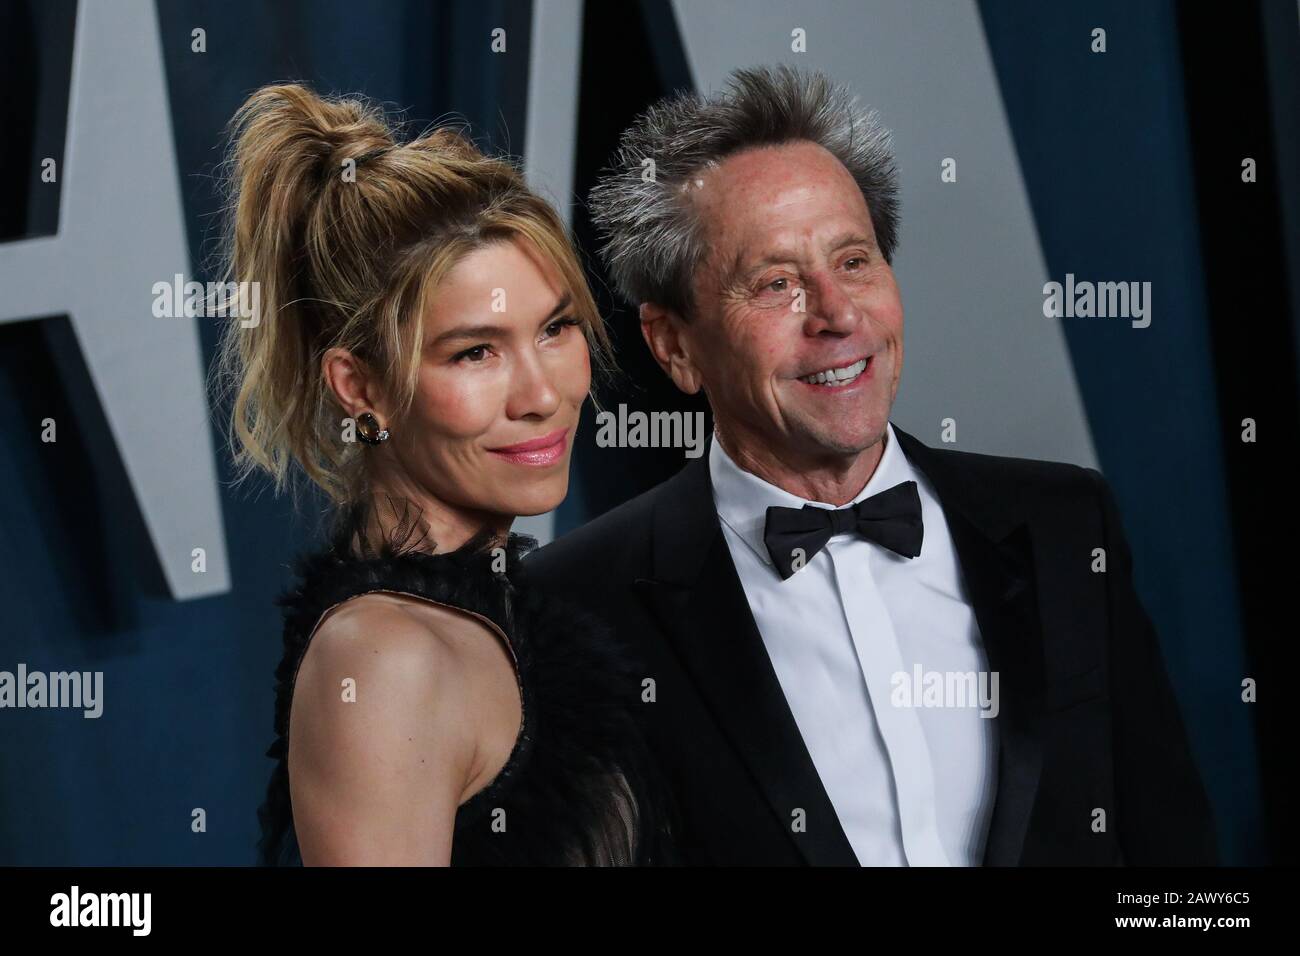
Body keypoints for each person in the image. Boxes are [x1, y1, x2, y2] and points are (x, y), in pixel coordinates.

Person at [521, 64, 1218, 866]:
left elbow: (1175, 861)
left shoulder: (1068, 525)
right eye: (777, 283)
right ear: (674, 345)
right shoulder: (576, 604)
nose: (838, 314)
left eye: (854, 261)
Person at [211, 83, 674, 865]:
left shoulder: (500, 613)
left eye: (556, 328)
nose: (543, 395)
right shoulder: (386, 660)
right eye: (475, 352)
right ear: (360, 387)